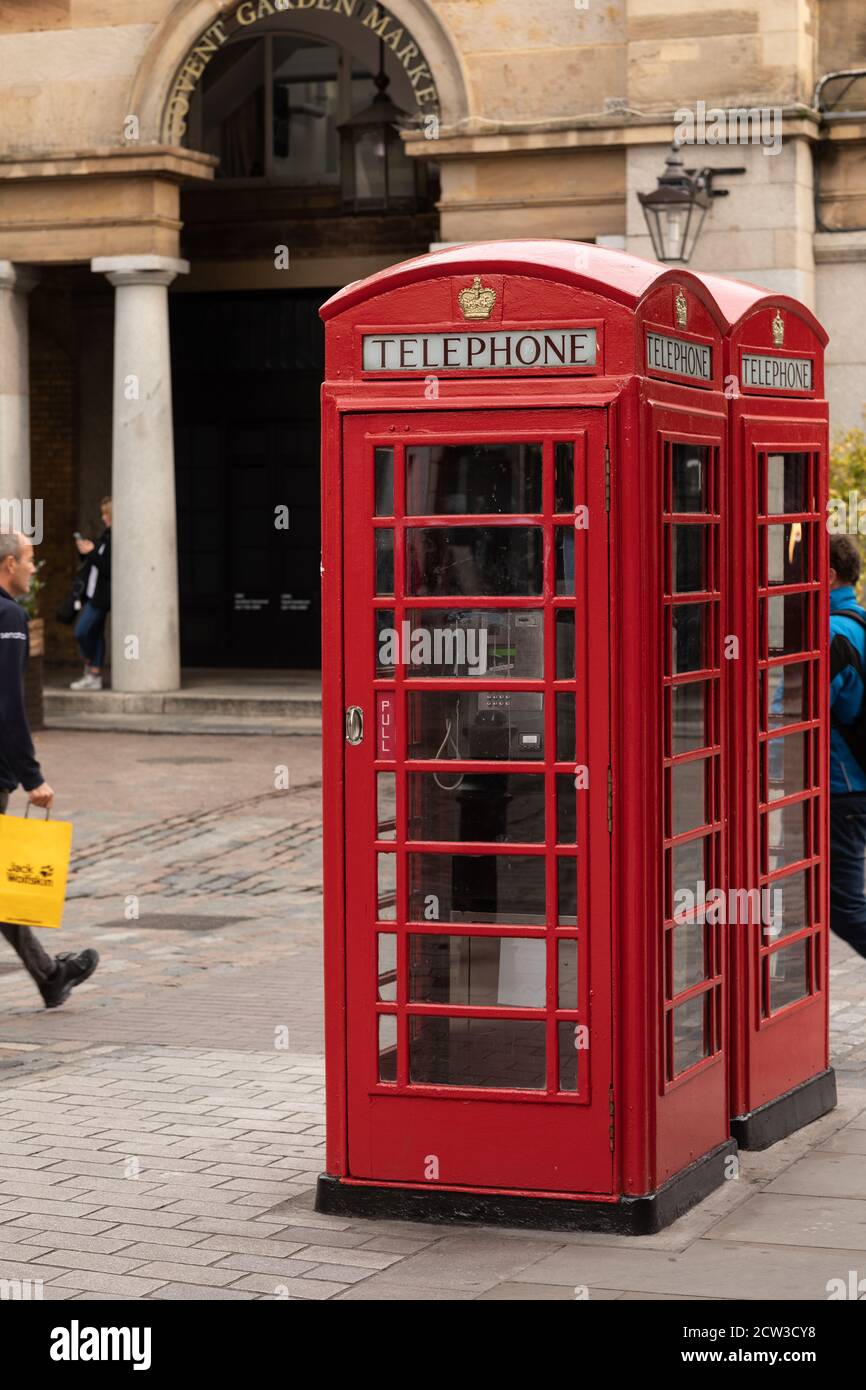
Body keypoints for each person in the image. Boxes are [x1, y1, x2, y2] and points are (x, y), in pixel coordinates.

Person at [0, 530, 99, 1007]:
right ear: (8, 565)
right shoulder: (9, 617)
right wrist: (31, 777)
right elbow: (8, 705)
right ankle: (51, 975)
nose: (35, 569)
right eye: (30, 560)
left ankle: (50, 975)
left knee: (3, 883)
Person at [829, 533, 866, 959]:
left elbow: (804, 711)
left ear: (829, 574)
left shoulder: (833, 632)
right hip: (855, 780)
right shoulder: (859, 621)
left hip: (842, 785)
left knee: (845, 908)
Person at [70, 496, 111, 691]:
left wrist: (92, 552)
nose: (103, 518)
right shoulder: (106, 536)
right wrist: (87, 551)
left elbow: (108, 567)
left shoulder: (116, 538)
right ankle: (94, 674)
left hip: (102, 596)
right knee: (95, 633)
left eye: (106, 514)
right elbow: (95, 560)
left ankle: (91, 667)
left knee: (82, 631)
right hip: (92, 592)